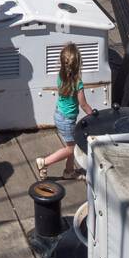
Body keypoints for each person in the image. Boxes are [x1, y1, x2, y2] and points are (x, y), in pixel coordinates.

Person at [36, 42, 91, 179]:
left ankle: (69, 172)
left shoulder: (61, 76)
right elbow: (83, 104)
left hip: (59, 115)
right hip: (67, 120)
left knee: (71, 144)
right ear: (78, 64)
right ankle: (45, 162)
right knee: (71, 149)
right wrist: (93, 114)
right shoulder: (77, 83)